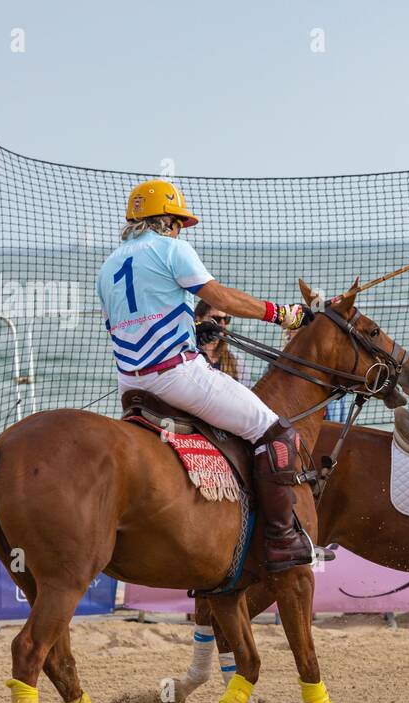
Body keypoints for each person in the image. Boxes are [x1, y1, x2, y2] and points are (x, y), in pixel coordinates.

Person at [96, 179, 314, 571]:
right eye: (178, 222)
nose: (180, 229)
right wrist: (283, 314)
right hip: (176, 376)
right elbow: (220, 298)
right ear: (166, 220)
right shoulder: (171, 249)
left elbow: (127, 324)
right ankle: (282, 539)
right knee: (275, 431)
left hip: (129, 383)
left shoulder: (108, 266)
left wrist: (192, 330)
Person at [194, 300, 240, 380]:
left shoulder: (236, 360)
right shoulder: (185, 354)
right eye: (216, 319)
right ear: (198, 319)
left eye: (226, 319)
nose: (222, 324)